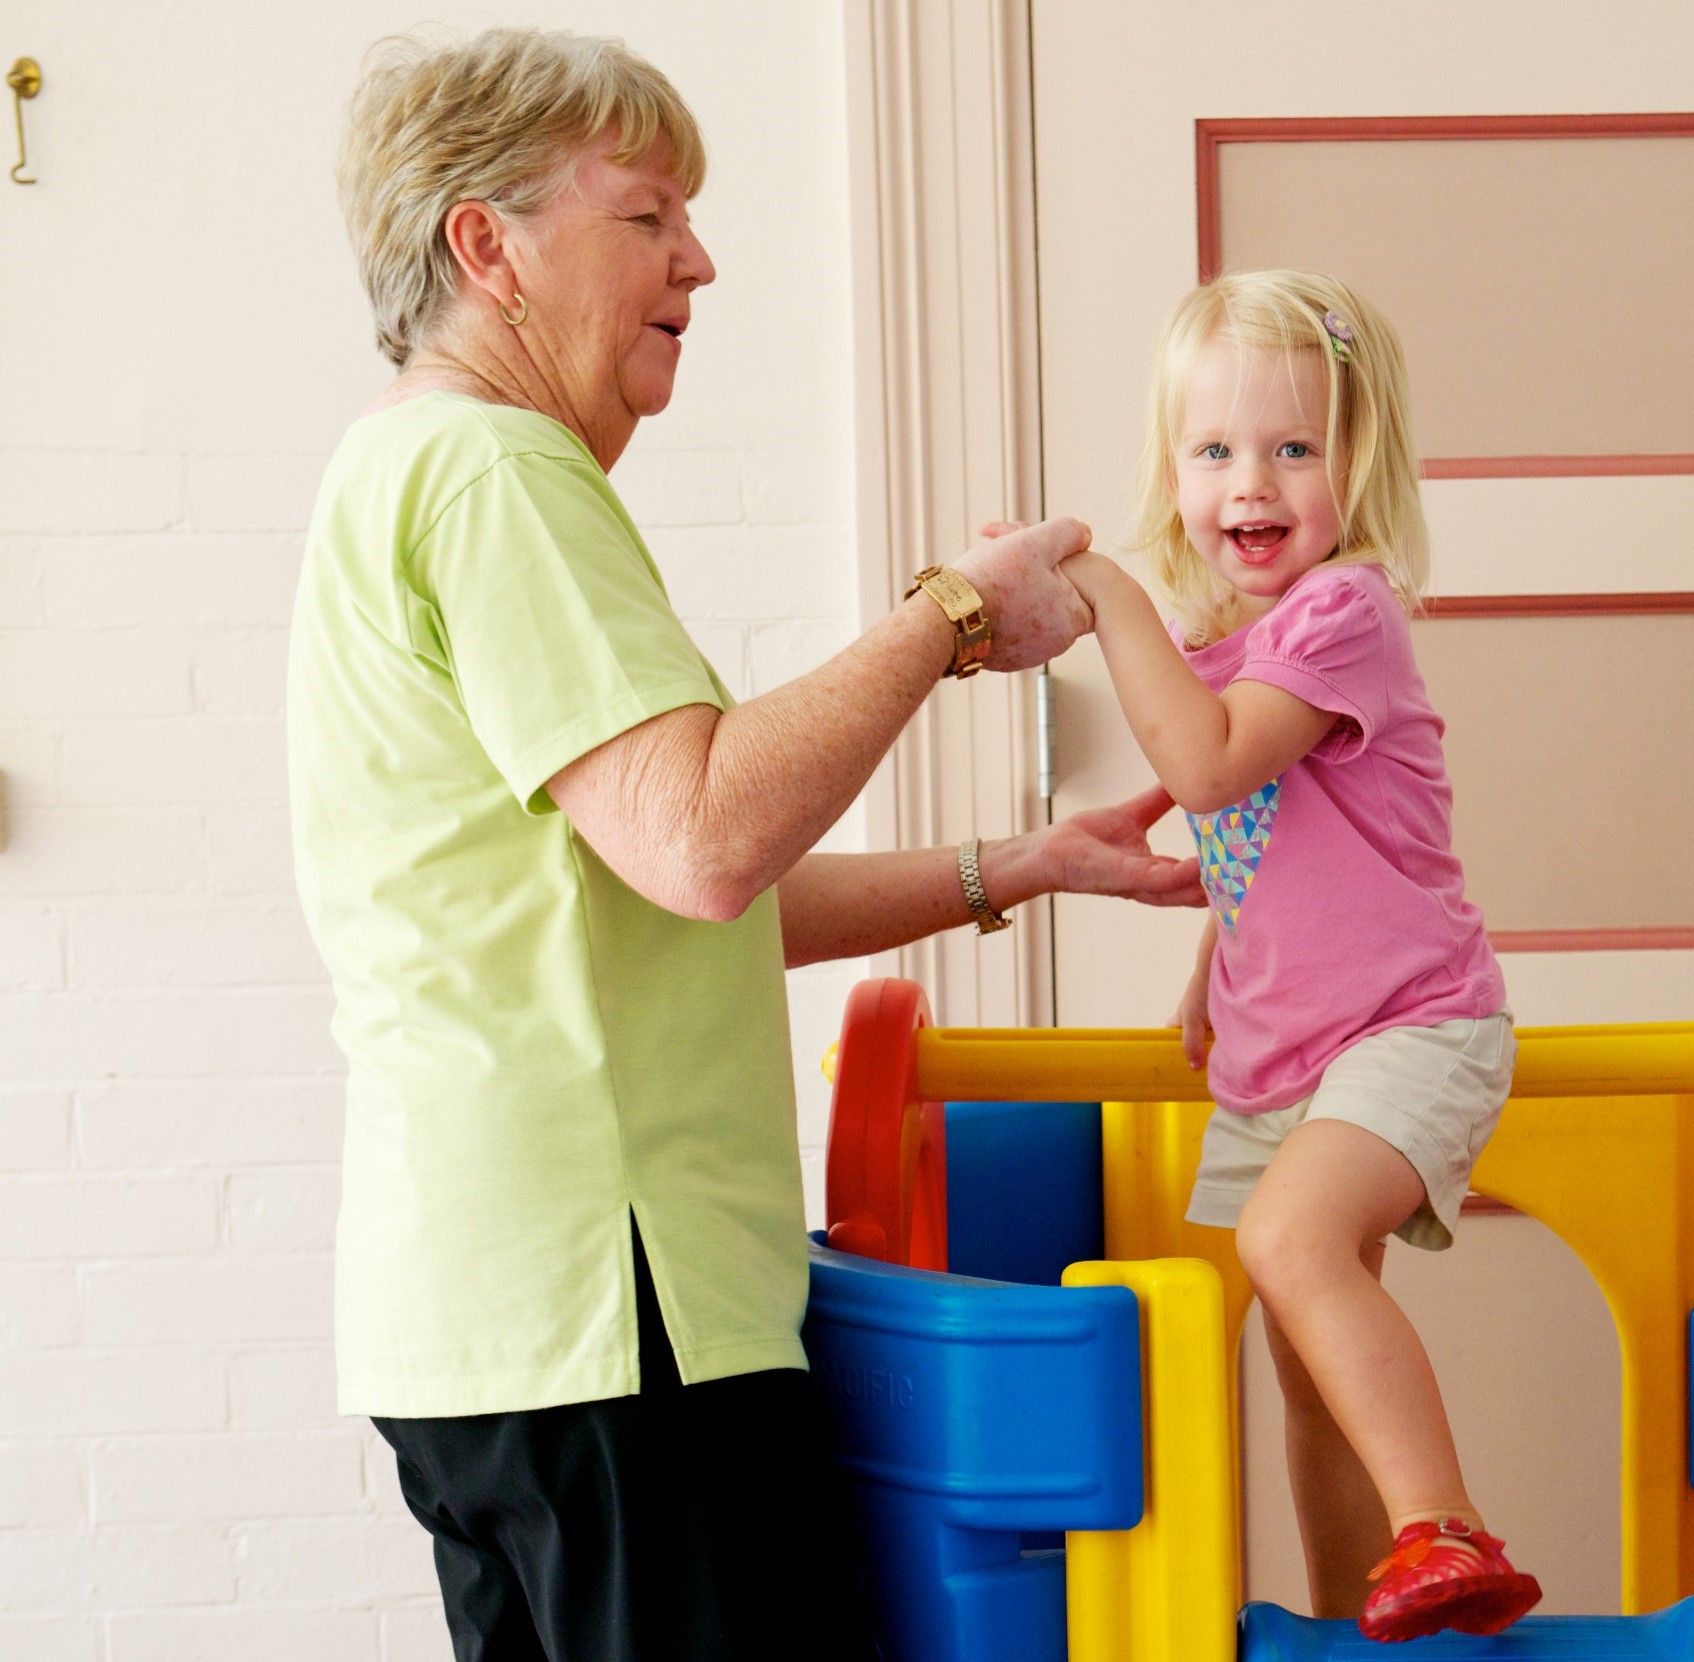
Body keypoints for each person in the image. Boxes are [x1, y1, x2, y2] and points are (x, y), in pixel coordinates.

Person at [292, 28, 1199, 1660]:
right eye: (647, 216)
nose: (697, 260)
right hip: (610, 1305)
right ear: (485, 246)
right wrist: (956, 610)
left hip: (498, 1314)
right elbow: (705, 840)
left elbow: (668, 899)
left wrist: (1020, 867)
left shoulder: (397, 467)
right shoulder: (494, 470)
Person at [1055, 271, 1540, 1642]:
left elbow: (1209, 767)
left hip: (1410, 1027)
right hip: (1284, 1057)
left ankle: (1443, 1524)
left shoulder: (1344, 616)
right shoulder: (1230, 644)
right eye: (1213, 451)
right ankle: (1351, 1619)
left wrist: (1104, 596)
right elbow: (1264, 835)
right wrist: (1214, 965)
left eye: (1292, 447)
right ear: (1175, 469)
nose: (1247, 483)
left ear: (1358, 462)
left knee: (1287, 1237)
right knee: (1304, 1365)